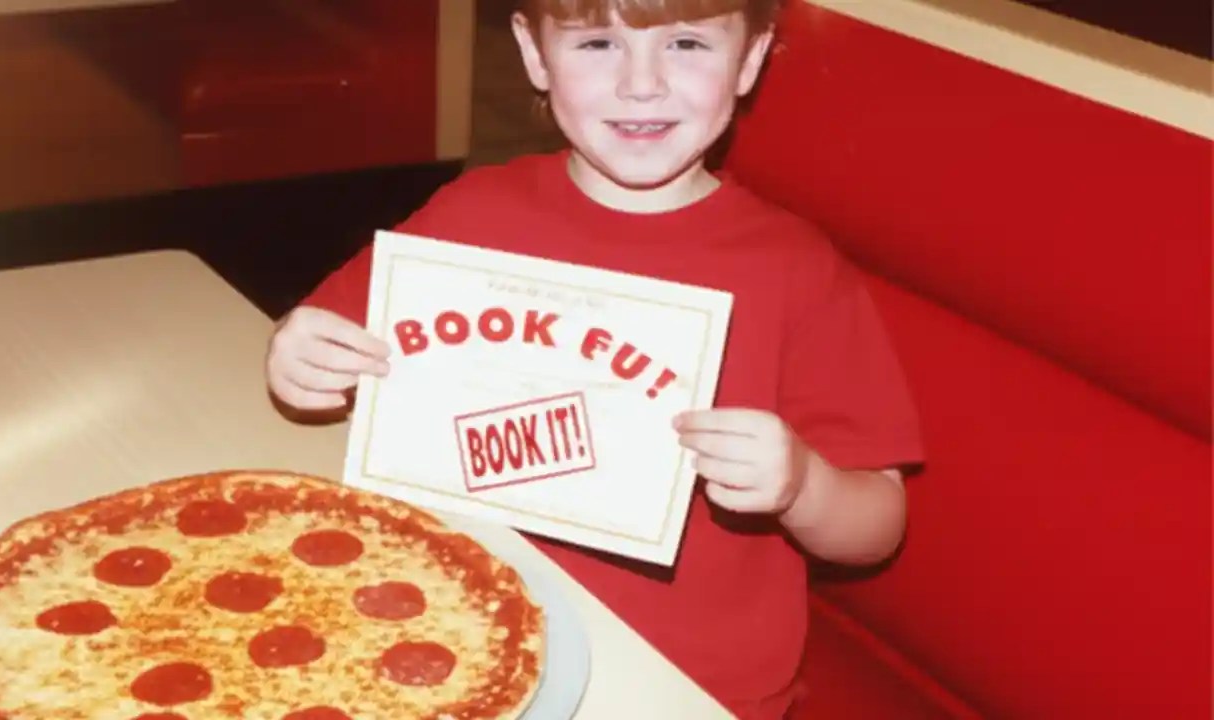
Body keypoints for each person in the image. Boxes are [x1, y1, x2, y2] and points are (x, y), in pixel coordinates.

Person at [265, 0, 924, 717]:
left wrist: (802, 484)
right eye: (600, 42)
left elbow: (878, 526)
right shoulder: (470, 214)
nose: (642, 83)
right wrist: (299, 358)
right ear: (535, 53)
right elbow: (325, 347)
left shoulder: (796, 270)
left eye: (686, 43)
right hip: (449, 629)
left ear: (752, 60)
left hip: (686, 682)